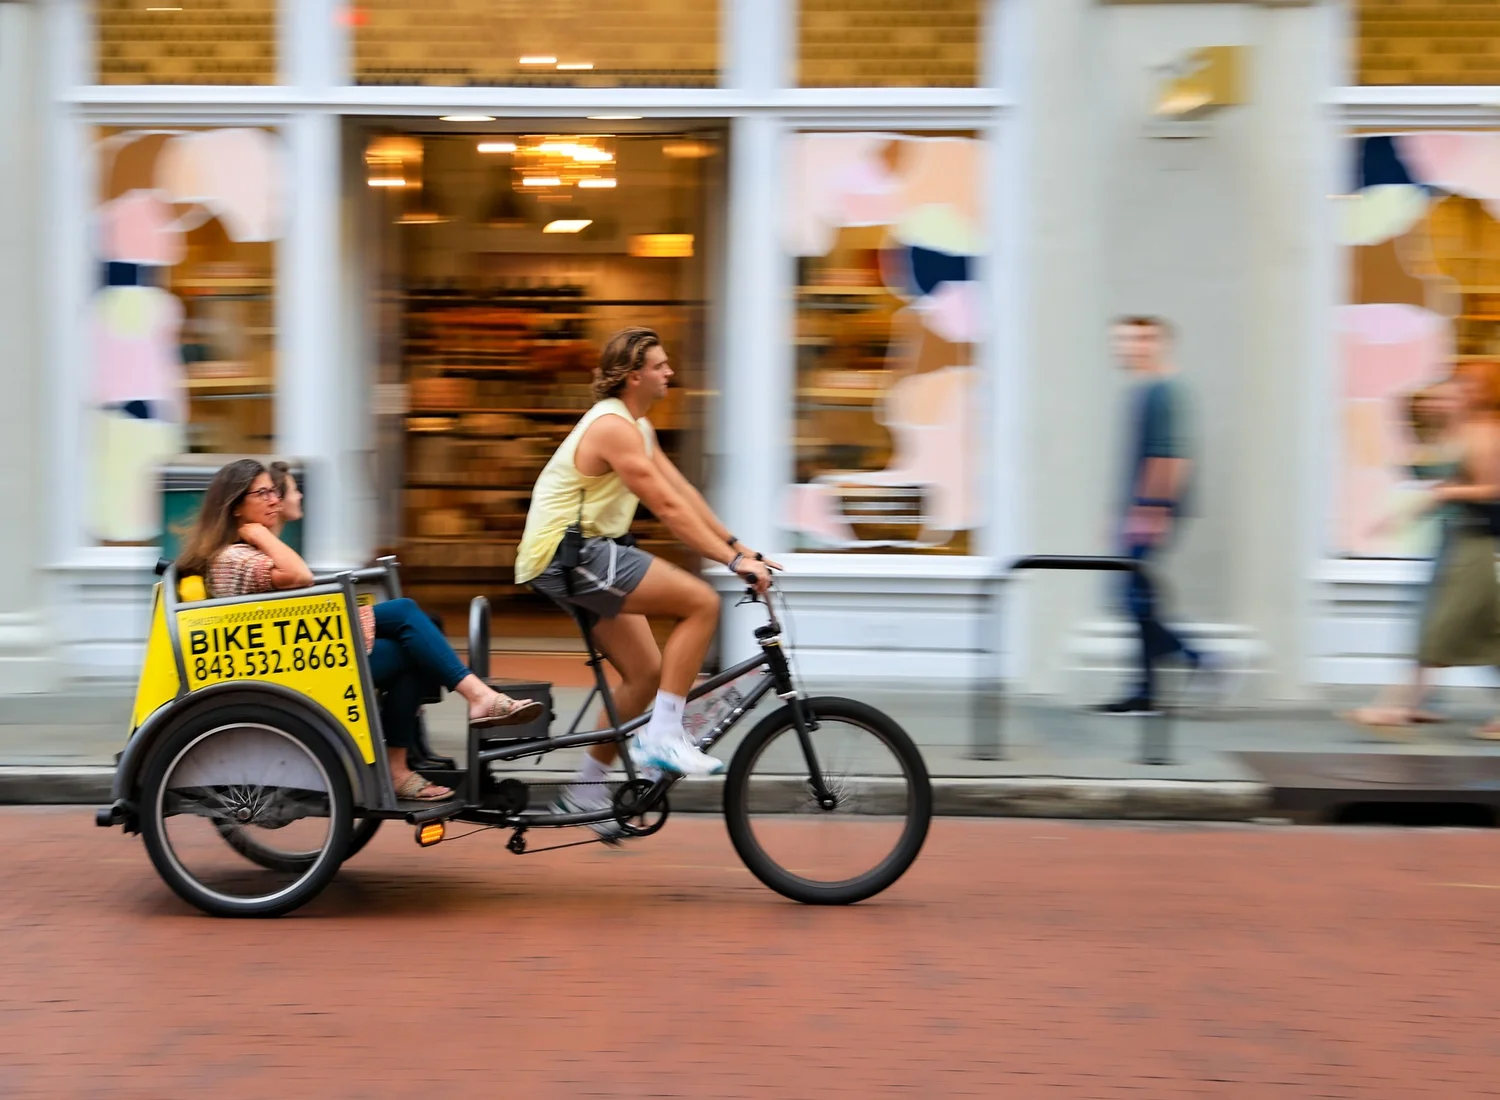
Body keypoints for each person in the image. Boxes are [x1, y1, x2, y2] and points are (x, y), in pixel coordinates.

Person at [514, 327, 777, 833]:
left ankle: (584, 793)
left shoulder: (638, 427)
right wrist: (729, 563)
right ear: (634, 376)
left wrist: (737, 545)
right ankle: (663, 736)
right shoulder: (612, 427)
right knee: (701, 603)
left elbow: (683, 491)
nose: (669, 372)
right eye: (660, 366)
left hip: (586, 552)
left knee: (645, 674)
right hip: (570, 554)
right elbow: (668, 509)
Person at [176, 459, 542, 801]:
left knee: (412, 628)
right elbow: (300, 576)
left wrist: (259, 534)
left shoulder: (241, 551)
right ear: (236, 507)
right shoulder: (234, 557)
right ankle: (466, 707)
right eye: (263, 493)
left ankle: (450, 721)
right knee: (409, 633)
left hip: (297, 653)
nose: (275, 499)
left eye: (275, 491)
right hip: (291, 666)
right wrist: (259, 533)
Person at [1094, 316, 1211, 716]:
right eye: (1122, 340)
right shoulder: (1143, 391)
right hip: (1139, 508)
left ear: (1159, 344)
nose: (1128, 348)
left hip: (1150, 509)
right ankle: (1145, 688)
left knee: (1133, 598)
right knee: (1137, 598)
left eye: (1139, 340)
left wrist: (1152, 512)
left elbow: (1170, 458)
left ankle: (1194, 657)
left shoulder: (1165, 392)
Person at [1343, 379, 1463, 729]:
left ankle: (1398, 704)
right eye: (1432, 400)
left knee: (1445, 623)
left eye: (1445, 398)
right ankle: (1415, 701)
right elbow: (1433, 484)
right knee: (1440, 622)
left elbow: (1457, 489)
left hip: (1470, 541)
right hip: (1449, 537)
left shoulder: (1474, 436)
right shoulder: (1442, 438)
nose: (1436, 405)